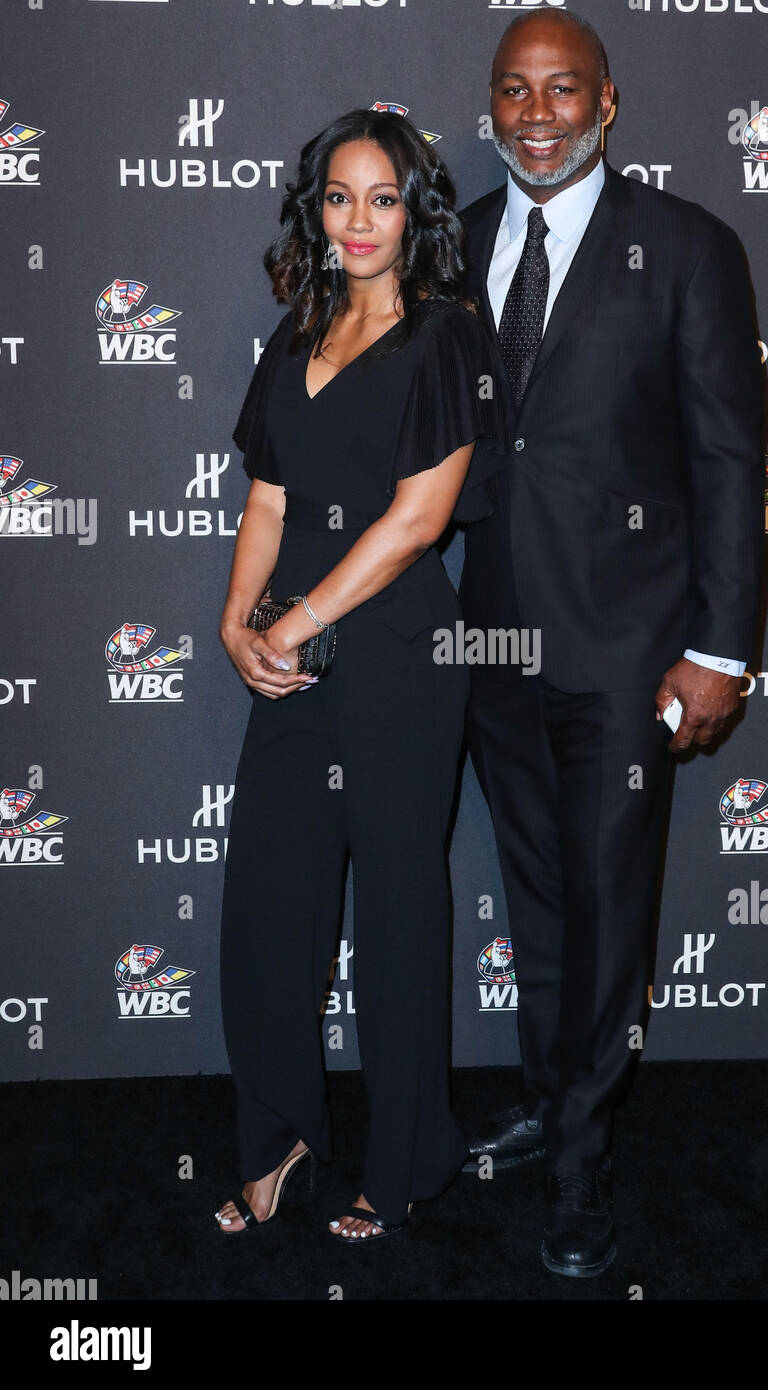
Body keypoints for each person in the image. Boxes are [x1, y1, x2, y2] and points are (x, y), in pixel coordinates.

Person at [458, 9, 766, 1277]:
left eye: (562, 89)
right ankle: (552, 1094)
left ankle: (582, 1164)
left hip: (631, 657)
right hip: (487, 652)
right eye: (515, 91)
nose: (538, 113)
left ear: (608, 104)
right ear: (492, 107)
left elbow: (728, 461)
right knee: (538, 907)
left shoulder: (689, 247)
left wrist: (721, 650)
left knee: (606, 910)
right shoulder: (458, 243)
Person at [214, 108, 501, 1242]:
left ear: (416, 211)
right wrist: (239, 624)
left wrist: (299, 623)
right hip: (292, 658)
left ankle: (401, 1160)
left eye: (385, 198)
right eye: (341, 195)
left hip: (396, 662)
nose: (361, 219)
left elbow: (420, 520)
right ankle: (278, 1137)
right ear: (314, 207)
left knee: (395, 912)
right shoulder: (298, 332)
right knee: (269, 909)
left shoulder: (446, 336)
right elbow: (270, 501)